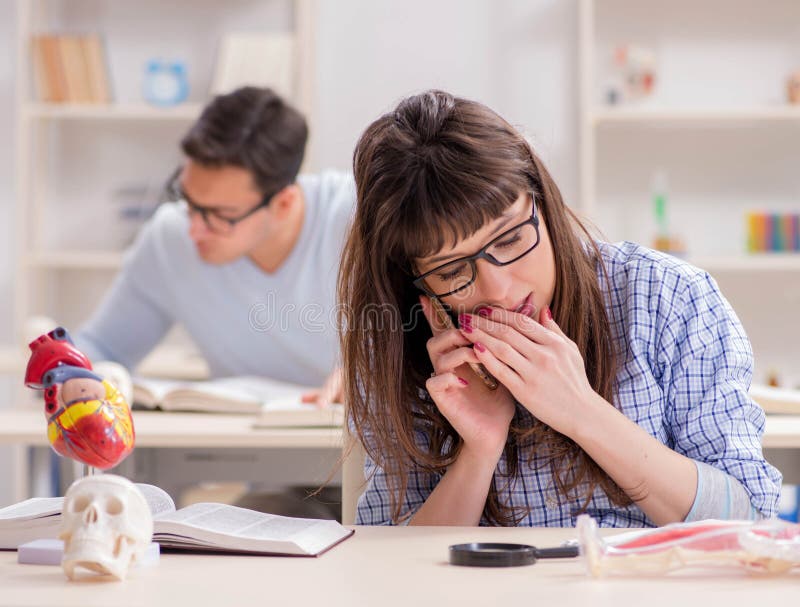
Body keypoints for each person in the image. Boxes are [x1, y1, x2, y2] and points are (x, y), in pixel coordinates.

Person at [339, 90, 782, 527]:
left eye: (511, 239)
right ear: (417, 283)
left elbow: (748, 522)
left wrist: (581, 411)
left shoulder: (666, 297)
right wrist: (479, 449)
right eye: (453, 271)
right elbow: (393, 570)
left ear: (544, 206)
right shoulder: (404, 345)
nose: (499, 289)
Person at [75, 86, 354, 405]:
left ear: (284, 204)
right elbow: (102, 346)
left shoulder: (360, 218)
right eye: (189, 202)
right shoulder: (171, 236)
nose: (194, 229)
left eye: (220, 215)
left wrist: (374, 376)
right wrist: (72, 373)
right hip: (234, 446)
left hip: (353, 442)